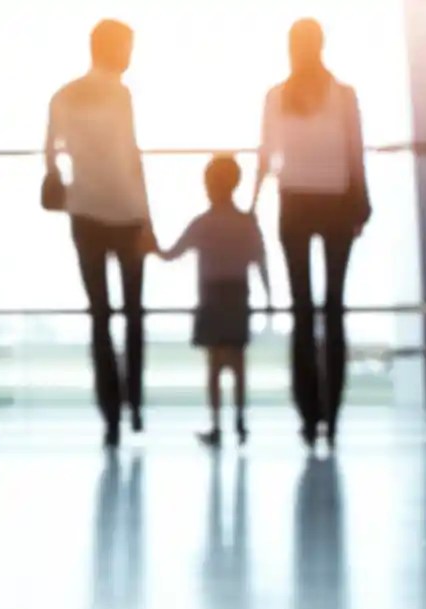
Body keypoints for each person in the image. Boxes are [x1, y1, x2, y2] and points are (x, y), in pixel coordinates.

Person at [249, 18, 371, 449]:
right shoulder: (342, 95)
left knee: (303, 311)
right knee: (332, 309)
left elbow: (266, 154)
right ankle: (330, 414)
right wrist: (363, 199)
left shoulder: (278, 97)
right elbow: (355, 152)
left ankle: (309, 414)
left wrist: (251, 202)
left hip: (296, 201)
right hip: (336, 199)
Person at [44, 19, 155, 448]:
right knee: (133, 314)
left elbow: (51, 155)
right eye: (127, 47)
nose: (130, 56)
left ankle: (110, 414)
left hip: (85, 212)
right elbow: (131, 157)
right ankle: (135, 407)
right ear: (111, 49)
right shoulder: (120, 95)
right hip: (126, 212)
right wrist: (148, 219)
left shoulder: (64, 96)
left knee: (101, 317)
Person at [158, 155, 272, 446]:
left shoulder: (203, 224)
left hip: (211, 296)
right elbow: (260, 260)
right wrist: (270, 297)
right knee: (238, 363)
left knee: (214, 366)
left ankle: (217, 425)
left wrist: (147, 243)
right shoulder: (246, 223)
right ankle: (240, 423)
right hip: (237, 295)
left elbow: (171, 253)